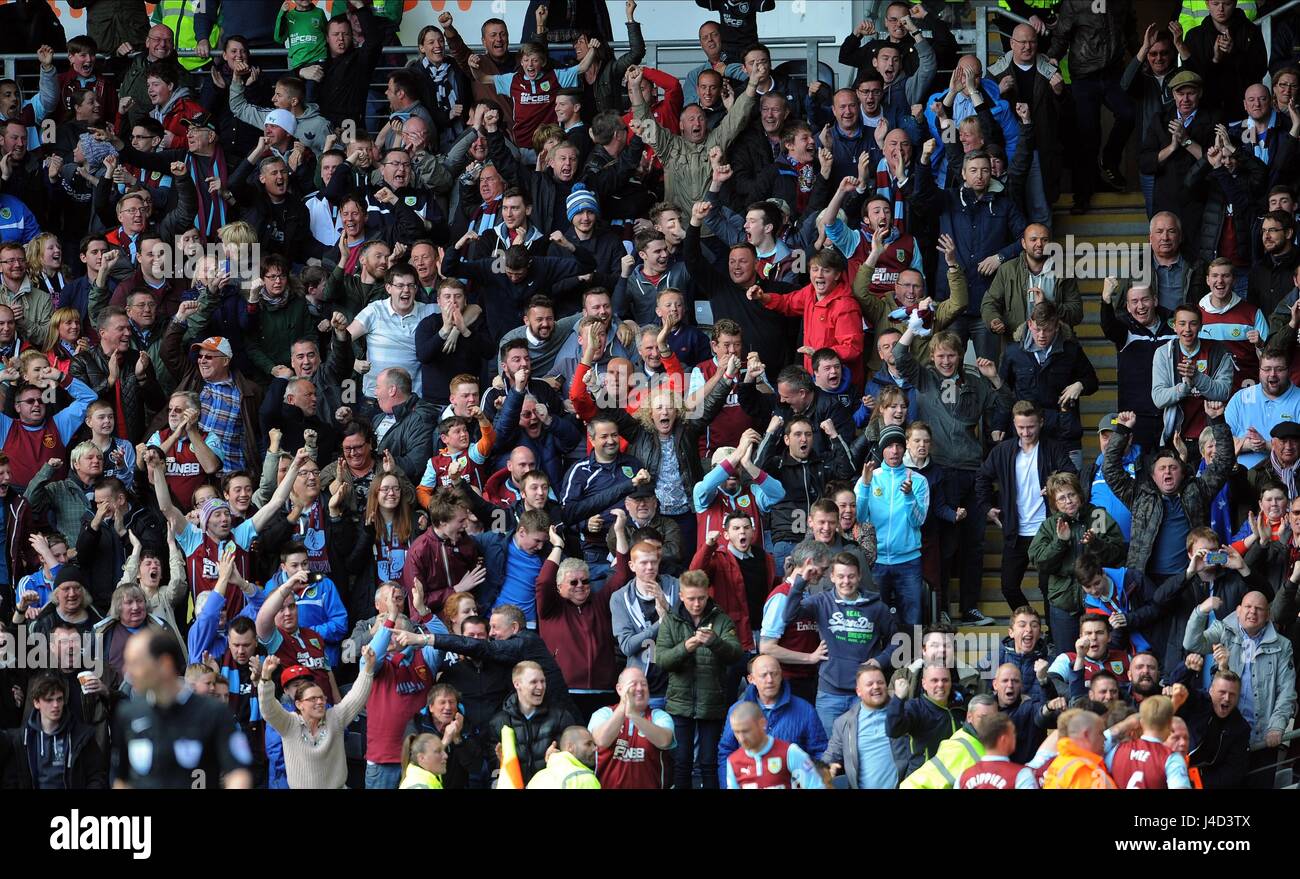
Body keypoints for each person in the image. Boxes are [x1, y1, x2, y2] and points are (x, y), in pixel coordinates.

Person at [113, 631, 253, 789]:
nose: (127, 672)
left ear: (164, 664)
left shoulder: (213, 713)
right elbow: (121, 779)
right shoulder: (128, 714)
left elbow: (238, 773)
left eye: (136, 663)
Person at [1184, 590, 1296, 778]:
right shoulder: (1223, 630)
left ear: (1267, 615)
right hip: (1226, 734)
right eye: (1248, 607)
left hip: (1264, 736)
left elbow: (1286, 691)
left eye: (1259, 609)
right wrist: (1201, 611)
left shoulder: (1282, 645)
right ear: (1238, 610)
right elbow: (1192, 643)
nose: (1252, 612)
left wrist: (1277, 725)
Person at [784, 551, 897, 736]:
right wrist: (800, 583)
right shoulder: (821, 602)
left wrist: (880, 660)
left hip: (865, 693)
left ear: (859, 576)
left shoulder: (877, 607)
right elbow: (788, 616)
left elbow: (899, 641)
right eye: (841, 576)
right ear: (832, 577)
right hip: (829, 693)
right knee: (830, 751)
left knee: (864, 749)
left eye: (851, 576)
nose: (846, 581)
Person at [716, 654, 826, 786]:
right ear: (751, 679)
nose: (770, 680)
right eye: (763, 675)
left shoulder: (804, 710)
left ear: (781, 675)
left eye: (774, 674)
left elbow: (820, 752)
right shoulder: (737, 710)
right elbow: (726, 752)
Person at [2, 672, 107, 790]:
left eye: (59, 699)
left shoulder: (81, 736)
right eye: (49, 700)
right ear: (37, 703)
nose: (56, 705)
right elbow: (10, 780)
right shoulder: (21, 740)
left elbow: (96, 776)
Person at [587, 666, 675, 789]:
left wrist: (633, 715)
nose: (639, 688)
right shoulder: (603, 713)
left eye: (644, 684)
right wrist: (624, 707)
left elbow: (664, 741)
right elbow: (601, 741)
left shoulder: (659, 716)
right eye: (633, 684)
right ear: (619, 689)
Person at [723, 701, 825, 789]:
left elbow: (817, 785)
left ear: (762, 724)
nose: (741, 738)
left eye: (746, 731)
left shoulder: (790, 753)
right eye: (737, 732)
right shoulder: (733, 762)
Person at [1106, 694, 1193, 789]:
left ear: (1141, 723)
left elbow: (1092, 746)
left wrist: (1126, 724)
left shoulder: (1116, 751)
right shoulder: (1171, 758)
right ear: (1169, 725)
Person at [956, 712, 1038, 789]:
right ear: (1004, 739)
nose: (1015, 737)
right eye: (1013, 733)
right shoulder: (1021, 775)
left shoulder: (963, 777)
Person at [1040, 710, 1117, 789]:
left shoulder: (1059, 763)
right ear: (1086, 734)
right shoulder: (1083, 772)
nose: (1104, 738)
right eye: (1100, 733)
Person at [525, 726, 601, 789]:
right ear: (570, 747)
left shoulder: (537, 778)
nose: (595, 748)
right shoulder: (585, 779)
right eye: (588, 744)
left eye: (594, 744)